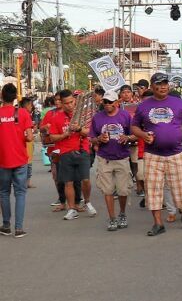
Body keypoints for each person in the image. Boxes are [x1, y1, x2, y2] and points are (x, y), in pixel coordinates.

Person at [131, 72, 182, 236]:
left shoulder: (178, 103)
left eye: (165, 84)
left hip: (176, 153)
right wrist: (143, 135)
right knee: (153, 191)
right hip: (153, 155)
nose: (162, 87)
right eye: (159, 84)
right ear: (152, 86)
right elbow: (134, 127)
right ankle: (158, 223)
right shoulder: (143, 106)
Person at [42, 89, 96, 220]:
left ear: (75, 101)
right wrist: (65, 135)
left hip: (82, 150)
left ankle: (87, 201)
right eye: (66, 103)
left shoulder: (83, 115)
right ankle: (72, 209)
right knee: (68, 182)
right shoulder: (56, 117)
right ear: (62, 103)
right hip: (65, 153)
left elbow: (89, 132)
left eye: (71, 102)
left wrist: (78, 129)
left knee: (85, 180)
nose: (69, 105)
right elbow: (52, 137)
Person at [89, 90, 135, 231]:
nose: (107, 104)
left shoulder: (125, 116)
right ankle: (112, 218)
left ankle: (122, 213)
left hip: (122, 157)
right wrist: (99, 139)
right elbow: (91, 138)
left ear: (117, 102)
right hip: (105, 158)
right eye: (105, 102)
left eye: (110, 102)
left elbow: (134, 134)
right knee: (107, 190)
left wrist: (127, 138)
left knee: (122, 190)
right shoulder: (97, 118)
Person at [1, 83, 33, 238]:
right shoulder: (23, 113)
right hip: (20, 160)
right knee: (20, 193)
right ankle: (19, 228)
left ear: (2, 96)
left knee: (4, 192)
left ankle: (6, 225)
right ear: (15, 97)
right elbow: (30, 137)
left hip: (2, 160)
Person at [18, 97, 35, 189]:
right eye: (31, 105)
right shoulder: (25, 114)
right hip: (26, 142)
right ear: (27, 105)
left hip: (23, 142)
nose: (32, 107)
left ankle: (25, 182)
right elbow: (28, 134)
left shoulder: (18, 113)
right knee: (27, 164)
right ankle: (26, 182)